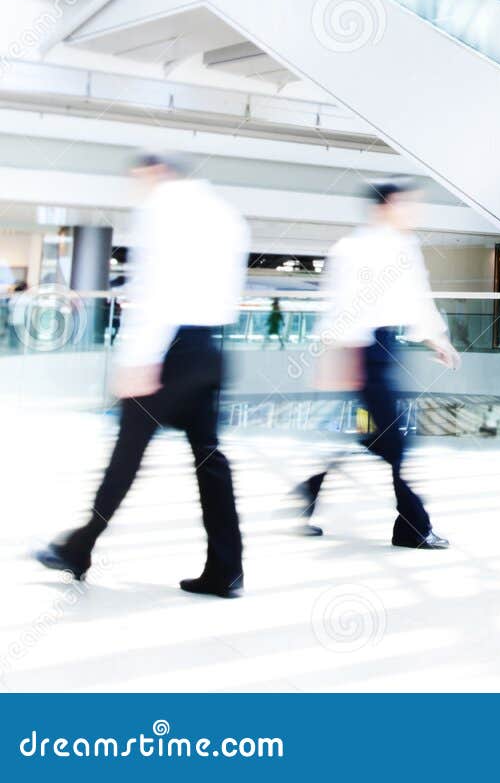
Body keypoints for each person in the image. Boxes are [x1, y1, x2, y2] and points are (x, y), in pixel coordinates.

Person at [36, 154, 249, 598]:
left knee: (127, 453)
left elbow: (156, 290)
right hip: (208, 348)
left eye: (138, 177)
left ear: (156, 172)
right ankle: (226, 570)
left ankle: (79, 548)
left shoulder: (160, 208)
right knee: (210, 459)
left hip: (168, 351)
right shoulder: (226, 215)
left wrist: (138, 359)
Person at [294, 181, 459, 548]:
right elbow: (340, 307)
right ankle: (413, 527)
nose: (413, 212)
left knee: (383, 438)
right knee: (397, 441)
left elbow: (416, 298)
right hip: (361, 350)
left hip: (384, 348)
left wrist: (437, 338)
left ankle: (309, 490)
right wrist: (341, 357)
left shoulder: (403, 245)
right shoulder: (354, 248)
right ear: (384, 207)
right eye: (406, 205)